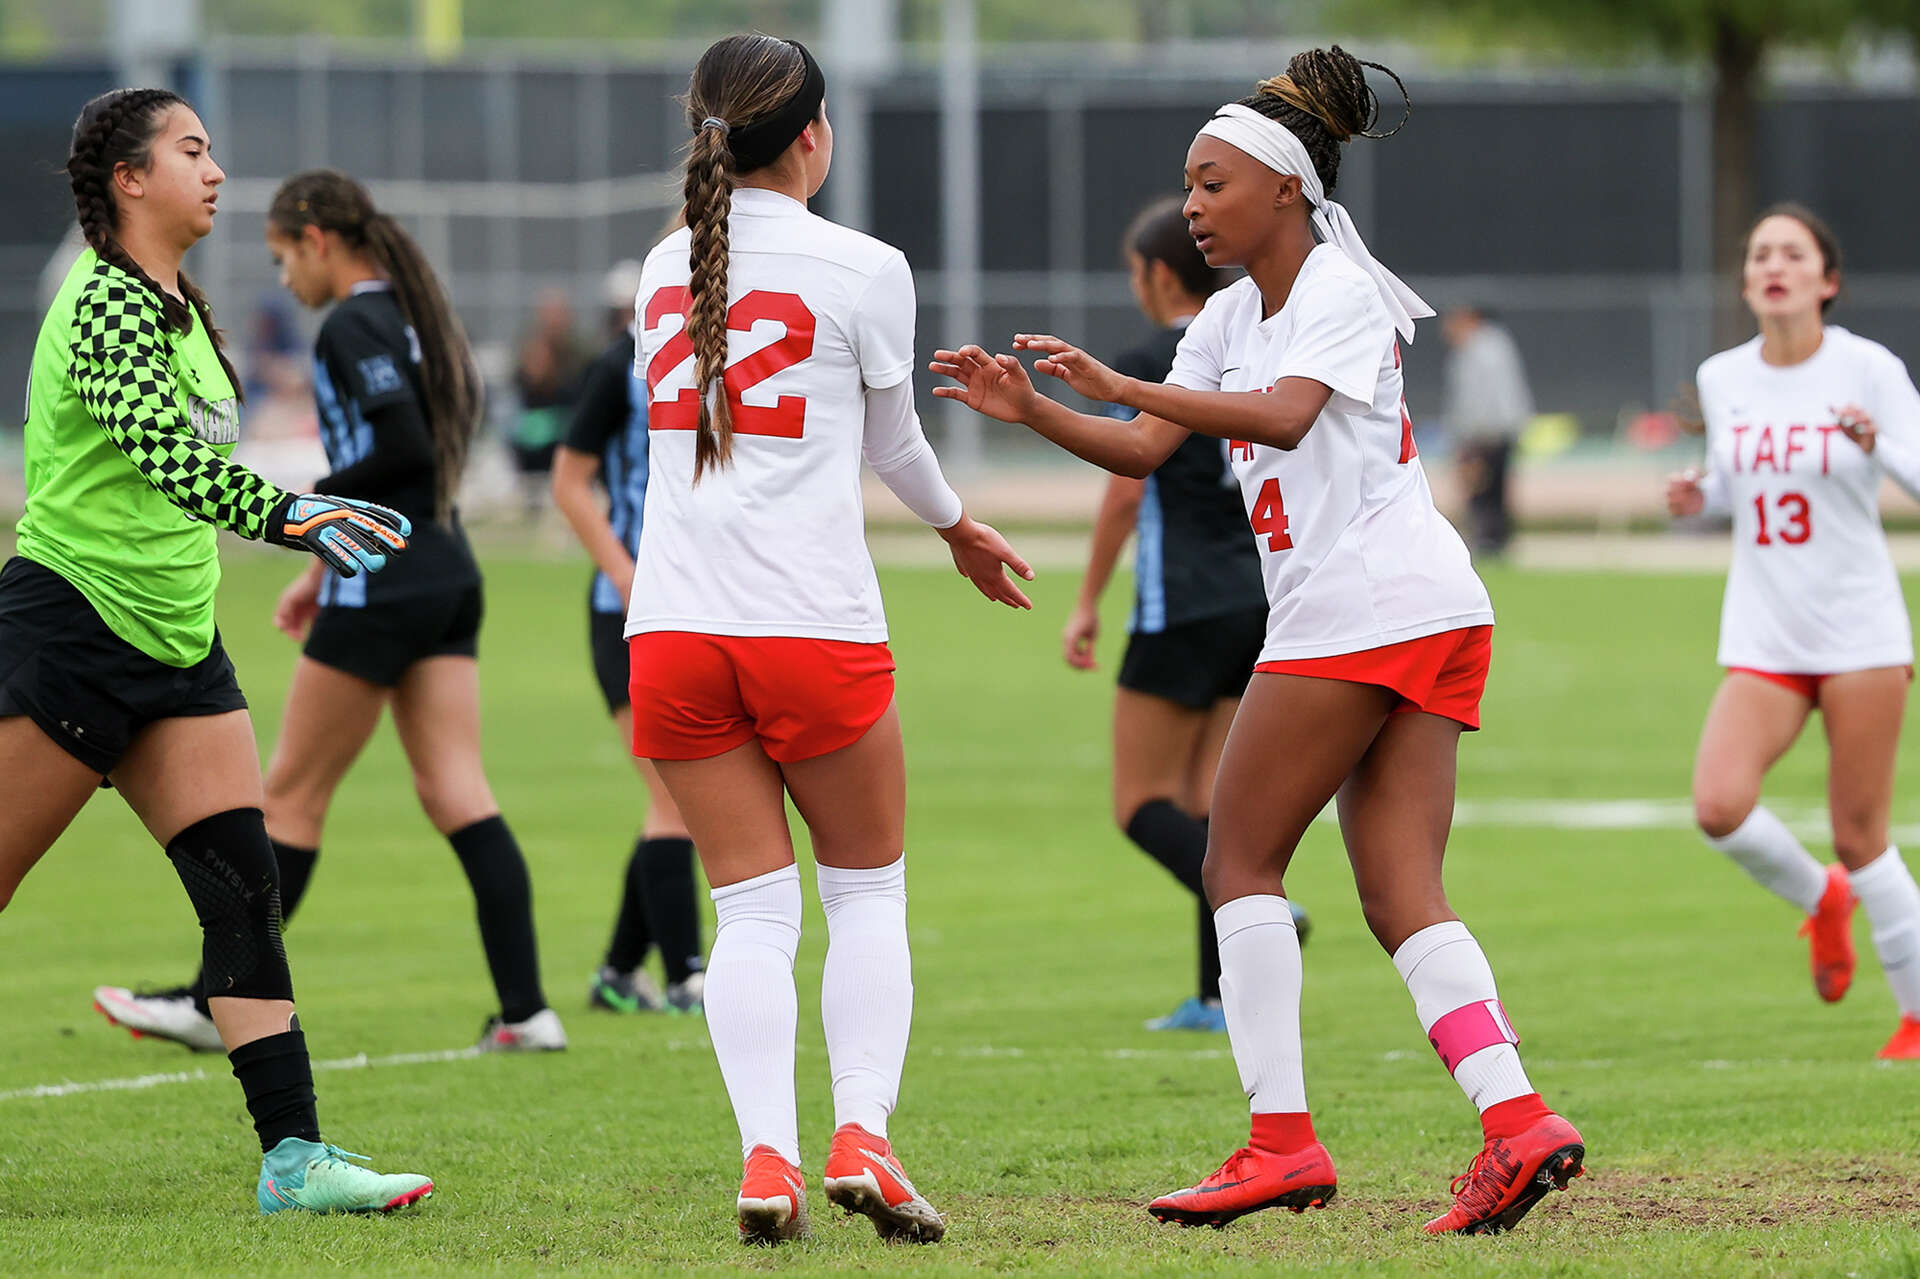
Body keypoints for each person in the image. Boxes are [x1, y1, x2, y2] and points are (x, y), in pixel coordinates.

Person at [932, 47, 1584, 1235]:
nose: (1192, 203)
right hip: (1424, 611)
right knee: (1399, 892)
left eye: (1211, 180)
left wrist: (1131, 383)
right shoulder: (1229, 314)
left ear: (1286, 185)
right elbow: (1143, 450)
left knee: (1237, 862)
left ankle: (1279, 1142)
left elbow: (1283, 417)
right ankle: (1519, 1121)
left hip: (1362, 608)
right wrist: (1040, 412)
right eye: (1187, 185)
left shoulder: (1332, 286)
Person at [632, 33, 1033, 1246]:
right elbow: (894, 446)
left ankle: (768, 1158)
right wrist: (963, 530)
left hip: (674, 630)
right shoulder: (866, 265)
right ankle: (862, 1129)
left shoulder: (662, 262)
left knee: (750, 913)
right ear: (811, 134)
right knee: (866, 892)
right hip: (809, 625)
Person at [4, 88, 431, 1213]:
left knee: (244, 896)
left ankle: (294, 1160)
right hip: (71, 640)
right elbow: (164, 457)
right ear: (129, 180)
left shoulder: (184, 310)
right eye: (192, 151)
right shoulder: (100, 303)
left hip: (179, 652)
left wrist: (296, 518)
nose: (218, 171)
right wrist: (300, 517)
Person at [93, 168, 567, 1055]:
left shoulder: (353, 320)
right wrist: (321, 555)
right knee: (457, 790)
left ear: (316, 240)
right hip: (444, 567)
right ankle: (527, 1009)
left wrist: (310, 505)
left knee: (291, 798)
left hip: (386, 579)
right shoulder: (410, 314)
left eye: (282, 258)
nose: (284, 280)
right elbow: (419, 462)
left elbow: (402, 448)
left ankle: (209, 1002)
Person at [1667, 203, 1920, 1061]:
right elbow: (1739, 487)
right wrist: (1699, 495)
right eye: (1760, 254)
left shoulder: (1868, 369)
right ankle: (1822, 900)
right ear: (1746, 282)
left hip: (1860, 634)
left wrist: (1877, 442)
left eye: (1793, 253)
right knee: (1719, 804)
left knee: (1863, 833)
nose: (1774, 265)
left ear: (1827, 279)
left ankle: (1917, 1018)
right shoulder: (1722, 376)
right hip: (1766, 635)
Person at [1062, 196, 1307, 1035]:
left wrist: (1088, 600)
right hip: (1258, 599)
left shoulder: (1151, 358)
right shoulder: (1249, 342)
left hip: (1180, 605)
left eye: (1135, 271)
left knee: (1141, 803)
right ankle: (1213, 997)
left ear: (1160, 273)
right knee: (1208, 806)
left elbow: (1127, 491)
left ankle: (1268, 908)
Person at [551, 257, 705, 1016]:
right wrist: (623, 571)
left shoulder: (729, 351)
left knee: (674, 796)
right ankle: (686, 974)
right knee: (675, 795)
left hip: (700, 604)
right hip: (627, 610)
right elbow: (568, 480)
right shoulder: (624, 365)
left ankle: (618, 971)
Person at [1440, 304, 1532, 556]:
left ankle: (1490, 541)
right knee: (1493, 489)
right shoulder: (1494, 345)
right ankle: (1494, 540)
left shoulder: (1481, 350)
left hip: (1486, 433)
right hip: (1496, 430)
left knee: (1484, 490)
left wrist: (1473, 434)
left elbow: (1481, 398)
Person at [509, 289, 584, 515]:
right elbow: (518, 386)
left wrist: (551, 378)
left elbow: (579, 388)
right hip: (535, 420)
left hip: (564, 417)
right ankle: (530, 492)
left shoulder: (576, 349)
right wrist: (532, 375)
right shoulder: (530, 342)